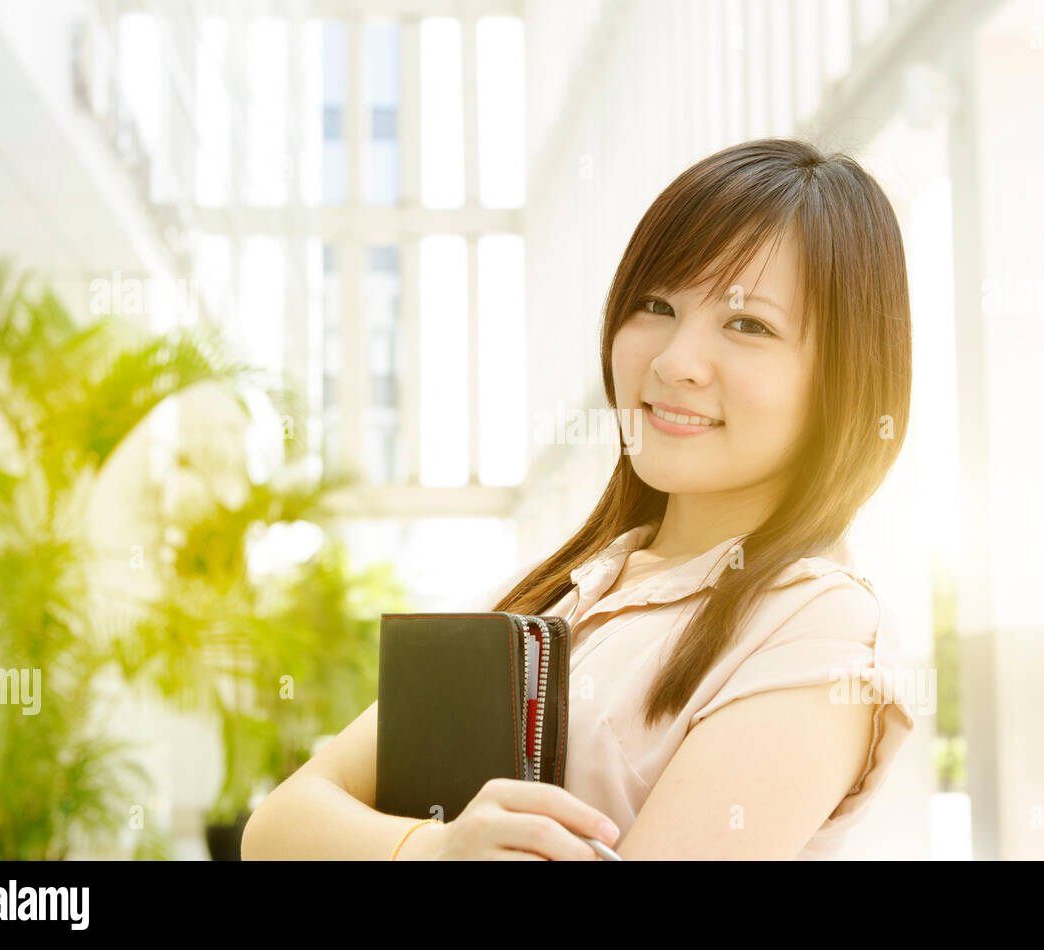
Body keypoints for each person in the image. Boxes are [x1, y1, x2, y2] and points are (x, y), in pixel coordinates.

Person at [242, 137, 916, 860]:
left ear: (844, 377)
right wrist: (437, 852)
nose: (673, 361)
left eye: (747, 324)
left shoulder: (819, 625)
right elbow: (278, 828)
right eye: (656, 305)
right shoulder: (548, 592)